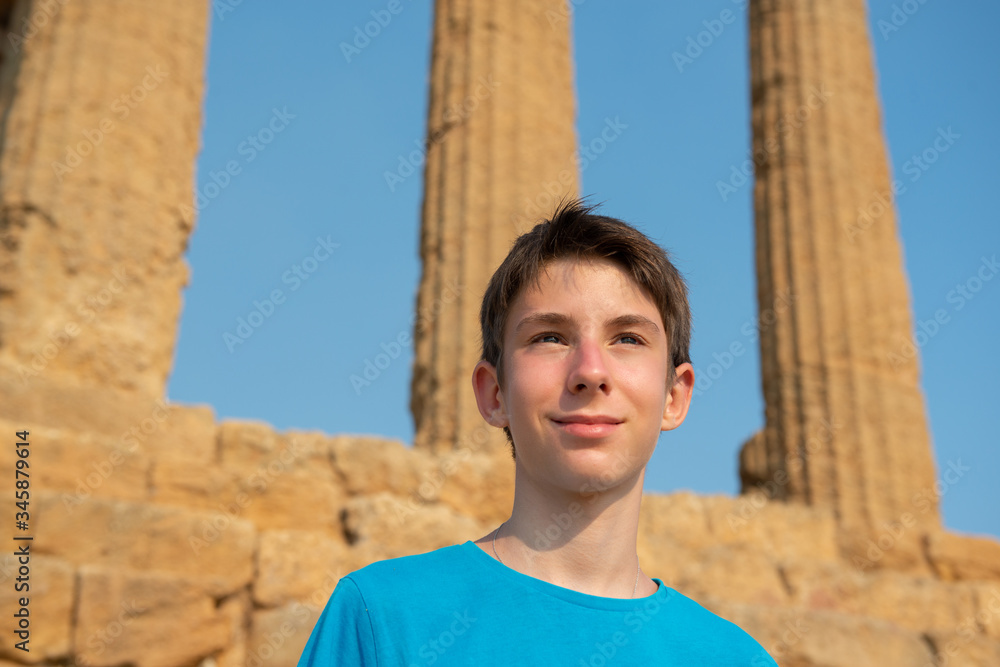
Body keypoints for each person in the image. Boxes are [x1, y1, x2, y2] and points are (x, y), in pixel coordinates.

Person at [297, 199, 777, 665]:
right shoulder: (379, 620)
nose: (590, 371)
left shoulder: (735, 658)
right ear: (494, 394)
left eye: (627, 338)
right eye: (549, 337)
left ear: (675, 396)